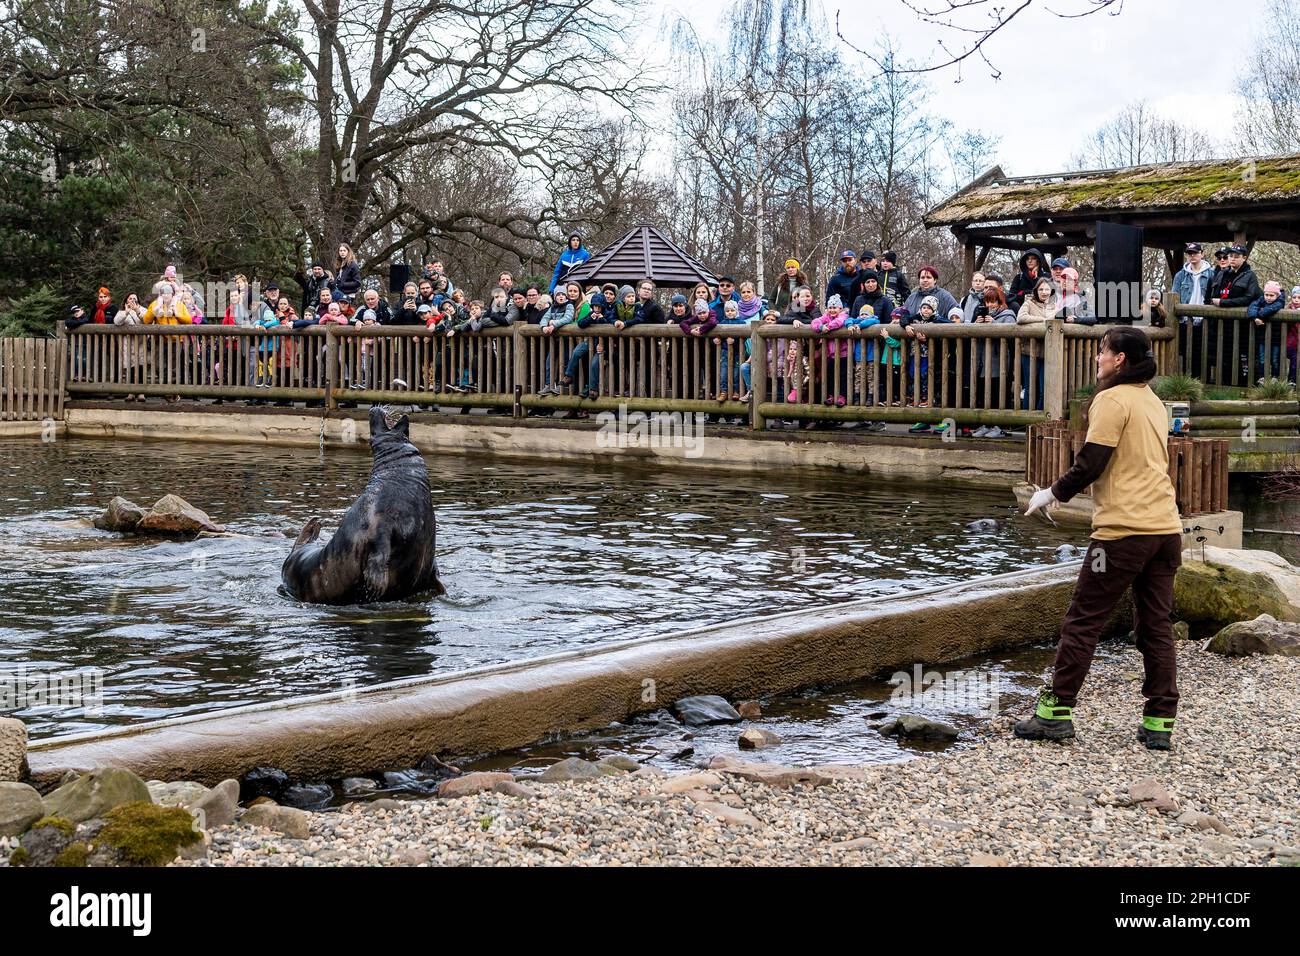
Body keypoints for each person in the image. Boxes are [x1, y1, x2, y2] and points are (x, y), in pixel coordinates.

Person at [1017, 326, 1183, 751]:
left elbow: (1091, 463)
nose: (1097, 358)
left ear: (1120, 360)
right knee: (1156, 626)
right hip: (1165, 530)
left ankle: (1055, 713)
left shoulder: (1111, 399)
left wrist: (1050, 494)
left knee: (1083, 619)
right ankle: (1159, 722)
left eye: (1102, 352)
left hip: (1121, 534)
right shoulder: (1154, 402)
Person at [970, 285, 1016, 437]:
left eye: (993, 302)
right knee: (984, 393)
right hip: (983, 363)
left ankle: (999, 426)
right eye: (987, 302)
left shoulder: (1008, 315)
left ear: (1000, 301)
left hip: (1000, 363)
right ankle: (986, 425)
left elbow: (1011, 332)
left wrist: (993, 325)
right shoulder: (982, 317)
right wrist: (976, 325)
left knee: (998, 393)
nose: (989, 305)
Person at [1172, 243, 1212, 376]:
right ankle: (1183, 380)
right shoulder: (1180, 275)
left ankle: (1200, 381)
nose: (1192, 256)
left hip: (1204, 320)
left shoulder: (1212, 274)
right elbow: (1174, 296)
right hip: (1184, 320)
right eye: (1190, 253)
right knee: (1183, 351)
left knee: (1202, 352)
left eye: (1195, 253)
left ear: (1202, 254)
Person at [1248, 280, 1286, 378]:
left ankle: (1275, 377)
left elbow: (1272, 308)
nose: (1268, 298)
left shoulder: (1280, 301)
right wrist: (1254, 317)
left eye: (1271, 295)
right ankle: (1262, 377)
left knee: (1275, 358)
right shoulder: (1262, 299)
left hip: (1276, 336)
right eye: (1266, 294)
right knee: (1262, 357)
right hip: (1262, 335)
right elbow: (1252, 306)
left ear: (1277, 295)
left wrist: (1259, 315)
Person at [1009, 247, 1049, 312]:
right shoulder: (1019, 277)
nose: (1030, 261)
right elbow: (1011, 296)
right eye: (1027, 259)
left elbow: (1049, 294)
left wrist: (1036, 278)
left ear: (1038, 260)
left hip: (1042, 310)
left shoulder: (1046, 276)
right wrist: (1024, 293)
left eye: (1033, 258)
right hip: (1022, 310)